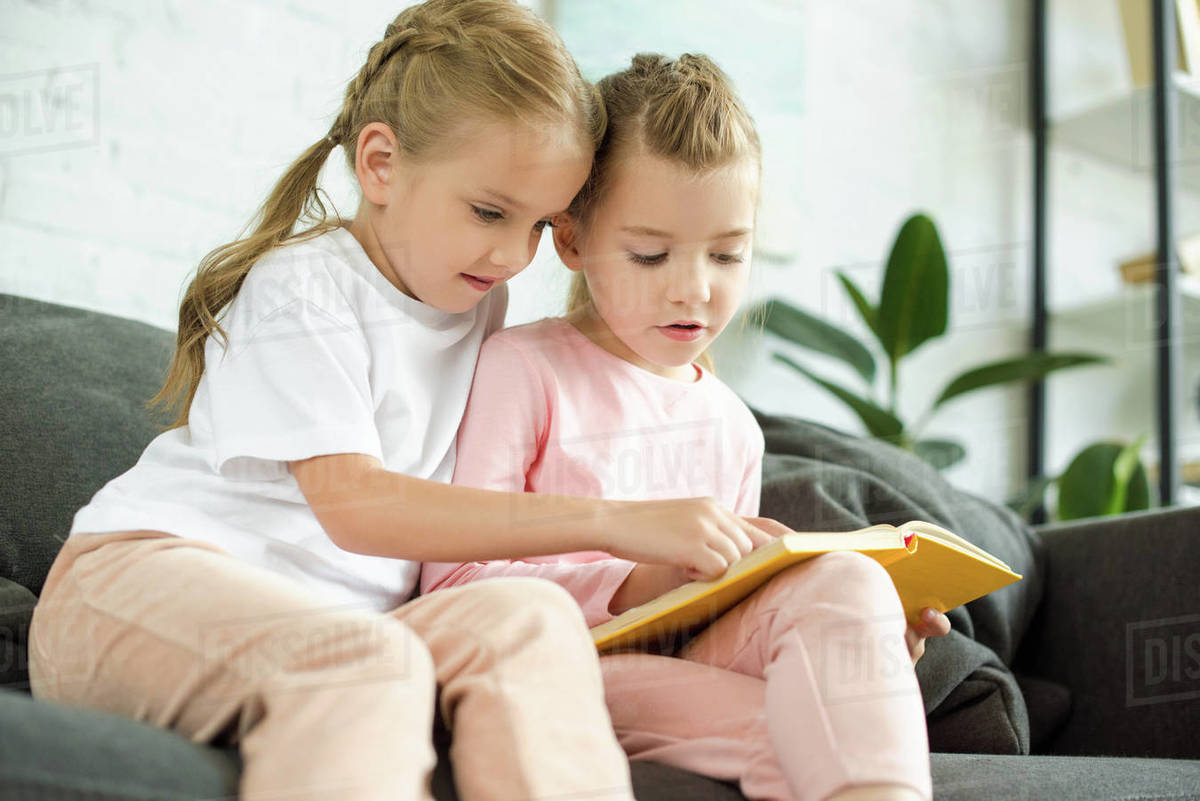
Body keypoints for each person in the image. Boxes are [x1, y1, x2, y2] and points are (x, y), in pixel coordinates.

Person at [27, 7, 778, 800]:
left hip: (341, 626)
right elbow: (356, 505)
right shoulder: (304, 287)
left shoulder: (475, 303)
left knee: (530, 618)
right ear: (380, 164)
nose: (512, 255)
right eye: (489, 212)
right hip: (134, 591)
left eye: (536, 225)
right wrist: (615, 521)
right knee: (364, 663)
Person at [422, 52, 952, 801]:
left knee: (850, 579)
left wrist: (875, 641)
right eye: (650, 254)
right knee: (790, 734)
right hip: (571, 666)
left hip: (693, 657)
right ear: (572, 239)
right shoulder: (524, 370)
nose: (694, 289)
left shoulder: (733, 426)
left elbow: (728, 614)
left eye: (728, 254)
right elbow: (457, 582)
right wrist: (644, 579)